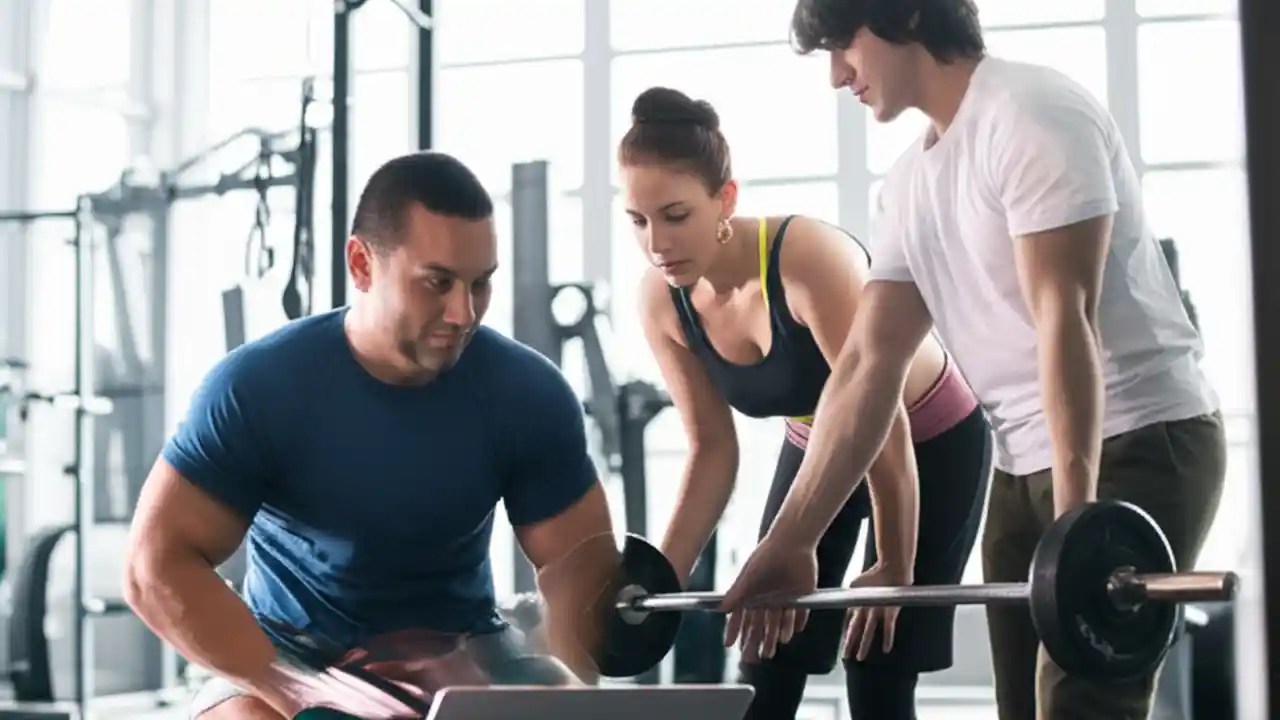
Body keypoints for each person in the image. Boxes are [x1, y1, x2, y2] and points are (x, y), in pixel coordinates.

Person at [720, 2, 1226, 719]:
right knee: (1021, 704)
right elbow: (867, 366)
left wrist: (1077, 521)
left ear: (909, 13)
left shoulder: (1032, 112)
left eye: (844, 46)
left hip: (1141, 435)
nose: (837, 76)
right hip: (1019, 464)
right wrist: (790, 539)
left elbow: (1065, 318)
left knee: (1080, 701)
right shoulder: (908, 186)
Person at [122, 151, 620, 719]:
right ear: (361, 264)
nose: (464, 313)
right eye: (438, 283)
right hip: (290, 654)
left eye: (480, 285)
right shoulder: (258, 387)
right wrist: (297, 689)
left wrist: (571, 675)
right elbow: (154, 566)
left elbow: (578, 566)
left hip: (466, 650)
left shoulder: (527, 392)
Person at [619, 86, 993, 720]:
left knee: (878, 660)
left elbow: (882, 412)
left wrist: (892, 563)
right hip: (817, 441)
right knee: (768, 651)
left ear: (725, 200)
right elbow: (712, 451)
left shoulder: (809, 259)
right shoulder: (662, 300)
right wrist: (656, 586)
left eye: (675, 215)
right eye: (638, 220)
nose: (657, 242)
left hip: (926, 438)